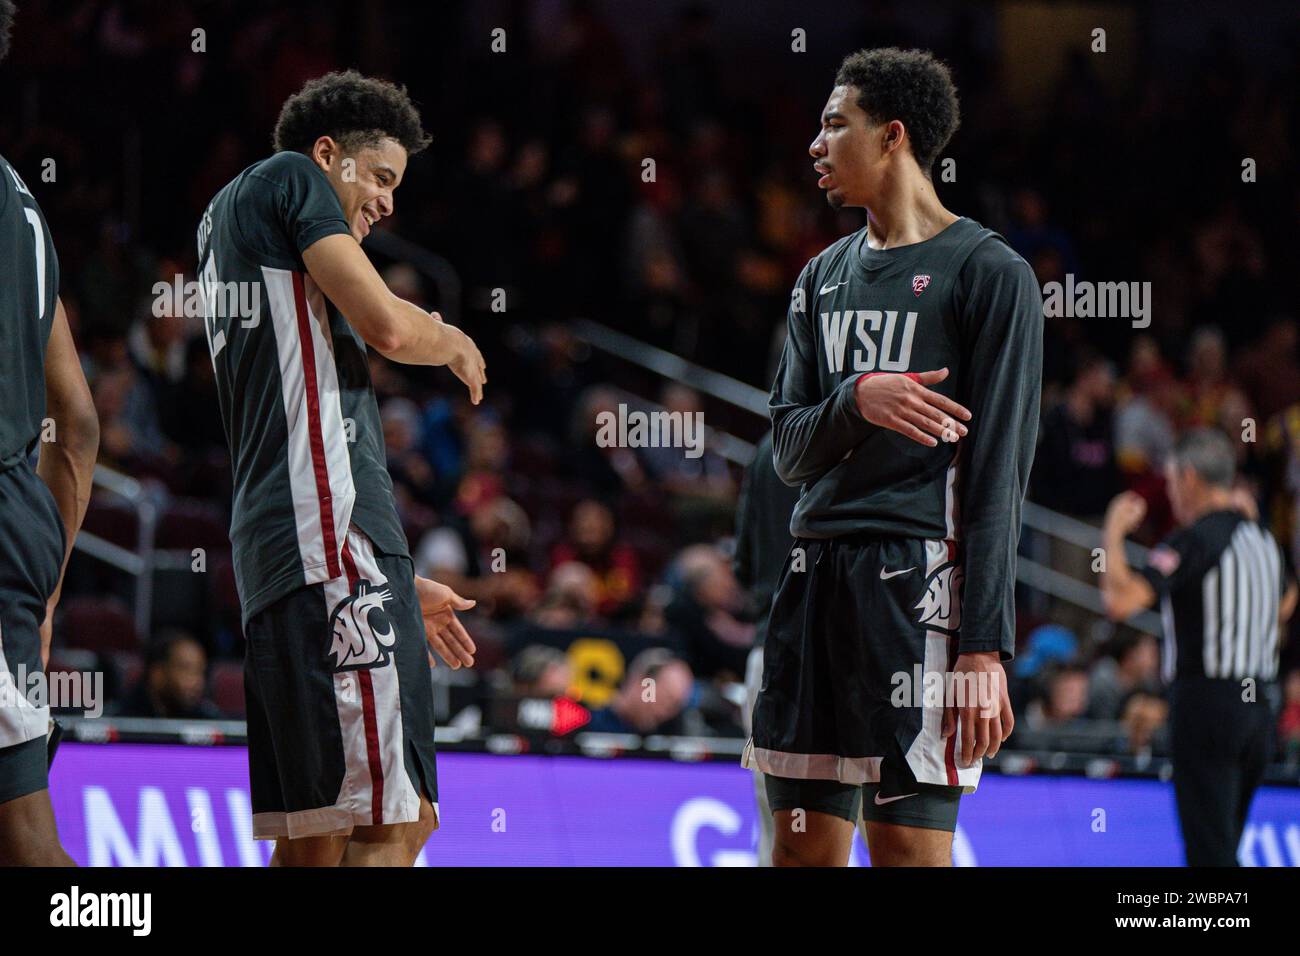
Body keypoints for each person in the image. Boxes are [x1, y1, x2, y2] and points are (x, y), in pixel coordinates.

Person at [743, 48, 1038, 867]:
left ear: (894, 137)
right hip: (812, 580)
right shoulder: (817, 280)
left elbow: (999, 475)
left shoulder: (989, 273)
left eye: (835, 124)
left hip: (918, 587)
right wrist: (855, 400)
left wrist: (985, 645)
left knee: (908, 851)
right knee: (798, 851)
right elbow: (788, 452)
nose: (815, 143)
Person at [196, 71, 487, 866]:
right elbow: (388, 326)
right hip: (326, 537)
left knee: (320, 831)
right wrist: (452, 336)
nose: (390, 203)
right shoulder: (290, 177)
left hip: (301, 548)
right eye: (381, 177)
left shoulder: (231, 226)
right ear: (329, 156)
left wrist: (392, 578)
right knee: (392, 823)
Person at [0, 1, 100, 866]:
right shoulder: (26, 210)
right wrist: (48, 591)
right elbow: (79, 426)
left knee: (25, 841)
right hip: (20, 536)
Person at [1101, 428, 1298, 866]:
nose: (1170, 493)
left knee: (1209, 855)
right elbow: (1287, 599)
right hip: (1260, 709)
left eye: (1171, 480)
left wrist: (1112, 532)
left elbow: (1121, 600)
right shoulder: (1263, 539)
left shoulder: (1194, 539)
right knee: (1223, 845)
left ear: (1189, 477)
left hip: (1208, 707)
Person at [113, 631, 226, 720]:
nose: (198, 682)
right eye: (186, 670)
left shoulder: (208, 719)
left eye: (200, 672)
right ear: (157, 674)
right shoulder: (120, 719)